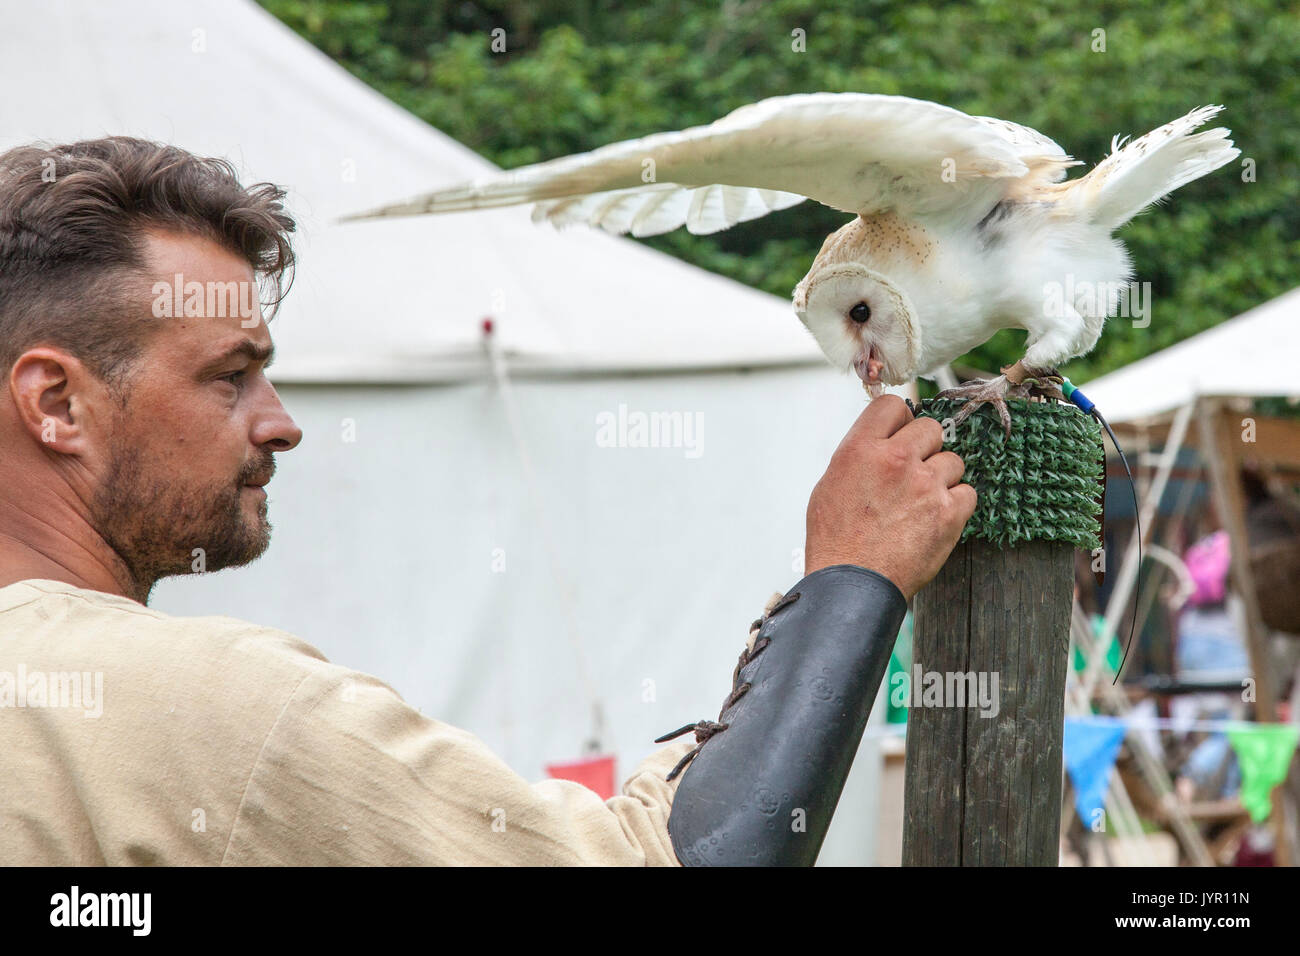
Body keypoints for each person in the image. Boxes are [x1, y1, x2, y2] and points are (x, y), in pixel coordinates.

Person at [0, 137, 975, 866]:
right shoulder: (199, 702)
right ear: (56, 402)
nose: (282, 423)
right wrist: (851, 575)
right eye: (231, 374)